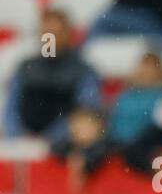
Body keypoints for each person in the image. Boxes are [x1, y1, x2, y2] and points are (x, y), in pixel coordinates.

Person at [3, 10, 100, 142]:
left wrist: (50, 138)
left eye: (54, 34)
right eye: (45, 34)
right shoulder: (25, 67)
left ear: (67, 34)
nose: (49, 41)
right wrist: (18, 135)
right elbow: (11, 109)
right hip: (22, 143)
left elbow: (85, 112)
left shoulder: (84, 71)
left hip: (63, 145)